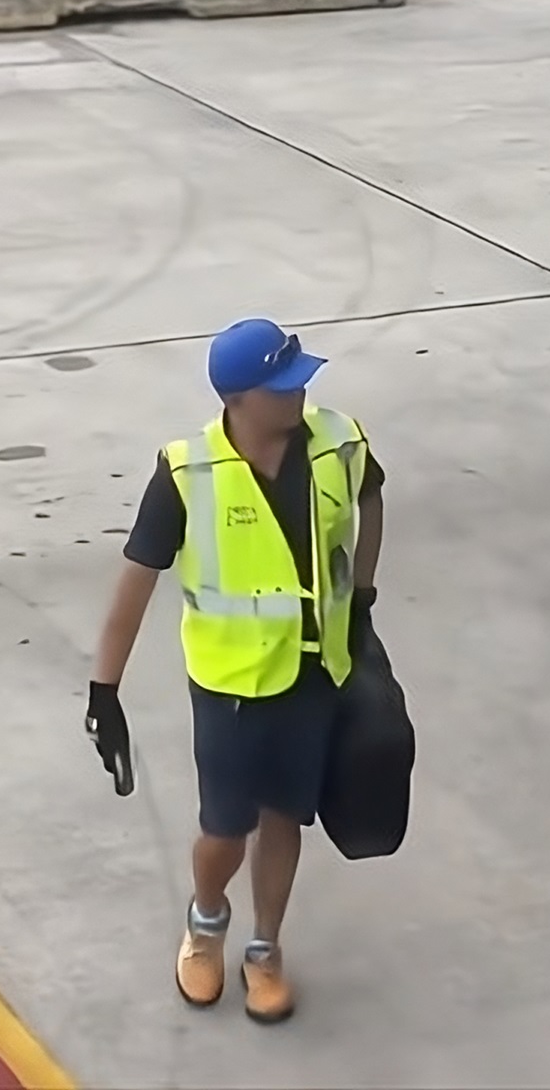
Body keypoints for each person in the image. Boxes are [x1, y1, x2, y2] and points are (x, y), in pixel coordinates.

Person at [85, 317, 386, 1023]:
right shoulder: (187, 474)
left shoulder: (338, 443)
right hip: (230, 688)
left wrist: (362, 594)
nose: (300, 391)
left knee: (286, 816)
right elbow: (135, 582)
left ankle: (264, 949)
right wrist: (105, 690)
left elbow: (371, 500)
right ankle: (206, 921)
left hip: (314, 672)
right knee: (225, 826)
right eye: (283, 384)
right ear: (239, 398)